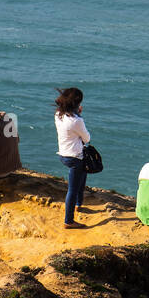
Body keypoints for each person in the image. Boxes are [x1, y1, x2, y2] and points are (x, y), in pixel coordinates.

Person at [54, 88, 90, 229]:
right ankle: (68, 221)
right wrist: (79, 116)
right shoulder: (77, 121)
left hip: (63, 154)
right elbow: (87, 138)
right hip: (75, 157)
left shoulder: (58, 115)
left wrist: (76, 114)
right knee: (72, 189)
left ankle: (78, 204)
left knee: (83, 173)